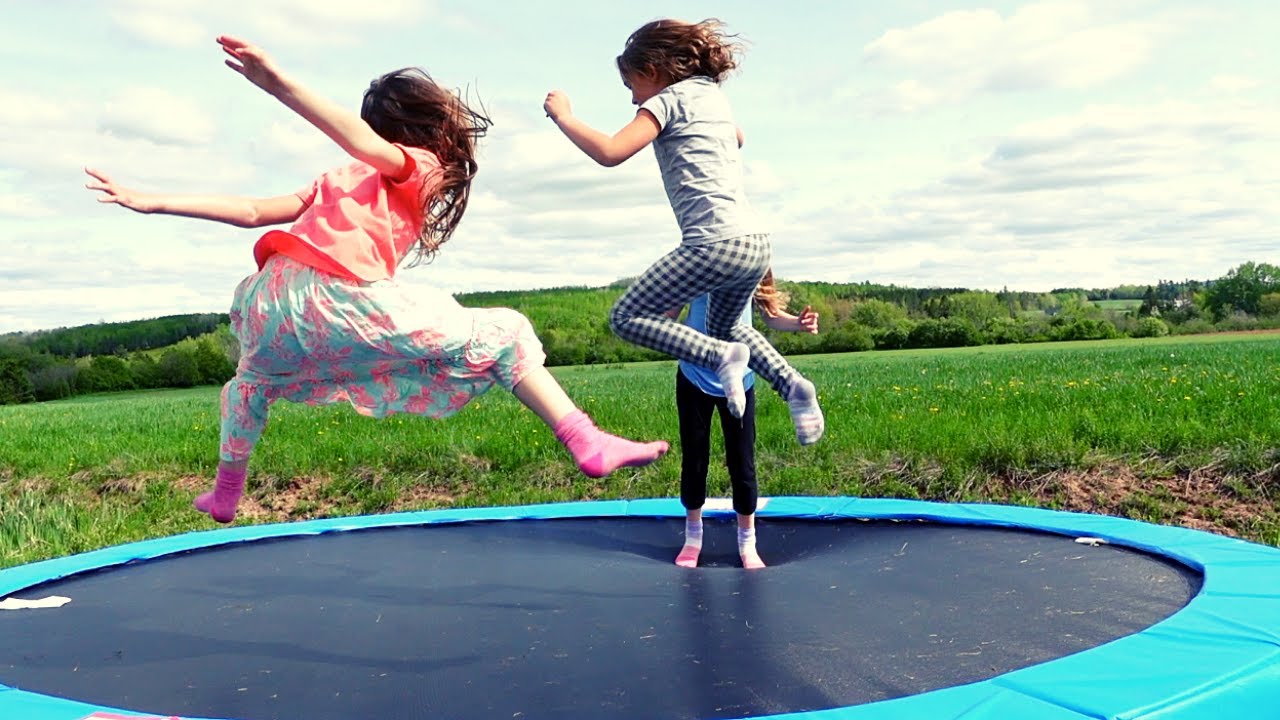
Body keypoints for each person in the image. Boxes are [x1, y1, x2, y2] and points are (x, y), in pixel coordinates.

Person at [84, 36, 668, 524]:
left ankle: (226, 493)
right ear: (426, 126)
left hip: (272, 304)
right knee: (508, 332)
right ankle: (584, 439)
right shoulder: (419, 166)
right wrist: (279, 83)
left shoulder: (338, 176)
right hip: (338, 296)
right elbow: (358, 142)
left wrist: (152, 200)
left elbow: (253, 212)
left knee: (249, 385)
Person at [543, 17, 824, 446]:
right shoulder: (713, 98)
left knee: (627, 317)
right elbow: (739, 137)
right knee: (727, 325)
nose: (633, 98)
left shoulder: (666, 101)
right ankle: (792, 385)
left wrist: (564, 117)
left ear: (653, 72)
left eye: (631, 85)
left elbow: (611, 152)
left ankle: (718, 356)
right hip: (756, 245)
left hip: (713, 243)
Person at [669, 271, 818, 569]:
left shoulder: (752, 263)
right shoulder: (698, 259)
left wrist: (797, 324)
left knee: (742, 462)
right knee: (695, 460)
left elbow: (771, 315)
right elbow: (669, 315)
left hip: (741, 378)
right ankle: (693, 538)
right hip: (694, 374)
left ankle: (747, 541)